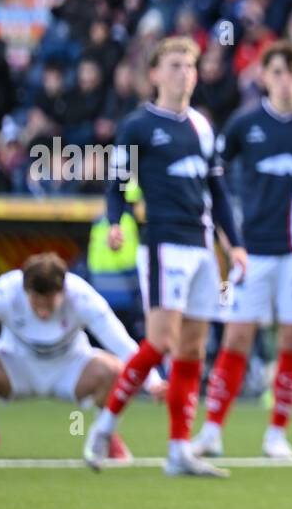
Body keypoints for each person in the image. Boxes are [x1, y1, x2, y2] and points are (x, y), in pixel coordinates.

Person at [84, 36, 248, 476]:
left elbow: (218, 190)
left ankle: (179, 449)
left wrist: (235, 245)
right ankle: (105, 424)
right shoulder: (138, 126)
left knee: (193, 347)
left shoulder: (202, 126)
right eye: (175, 65)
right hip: (162, 244)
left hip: (201, 246)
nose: (184, 74)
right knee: (160, 342)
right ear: (155, 73)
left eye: (190, 66)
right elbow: (117, 183)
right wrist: (116, 222)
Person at [192, 40, 292, 459]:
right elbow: (215, 173)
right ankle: (211, 430)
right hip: (255, 250)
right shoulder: (246, 124)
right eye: (277, 72)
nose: (285, 81)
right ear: (264, 77)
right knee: (238, 336)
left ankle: (276, 433)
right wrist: (227, 229)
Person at [0, 253, 160, 460]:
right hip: (16, 369)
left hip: (70, 370)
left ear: (62, 291)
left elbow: (121, 343)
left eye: (49, 304)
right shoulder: (3, 293)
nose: (42, 312)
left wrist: (155, 383)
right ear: (25, 290)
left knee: (114, 371)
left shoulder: (82, 296)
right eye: (36, 303)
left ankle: (105, 433)